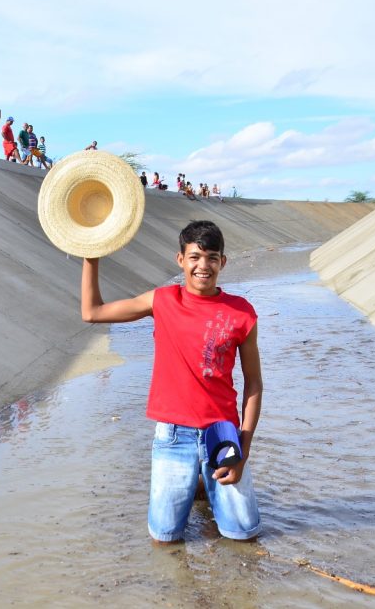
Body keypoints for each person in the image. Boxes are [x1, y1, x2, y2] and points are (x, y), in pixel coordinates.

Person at [81, 220, 262, 543]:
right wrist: (91, 257)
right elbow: (92, 312)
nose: (202, 266)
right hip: (172, 435)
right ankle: (198, 486)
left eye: (211, 257)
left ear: (223, 261)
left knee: (244, 534)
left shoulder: (242, 312)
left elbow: (253, 384)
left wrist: (243, 453)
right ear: (180, 260)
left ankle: (204, 486)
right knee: (164, 538)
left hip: (222, 435)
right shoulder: (162, 300)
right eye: (194, 257)